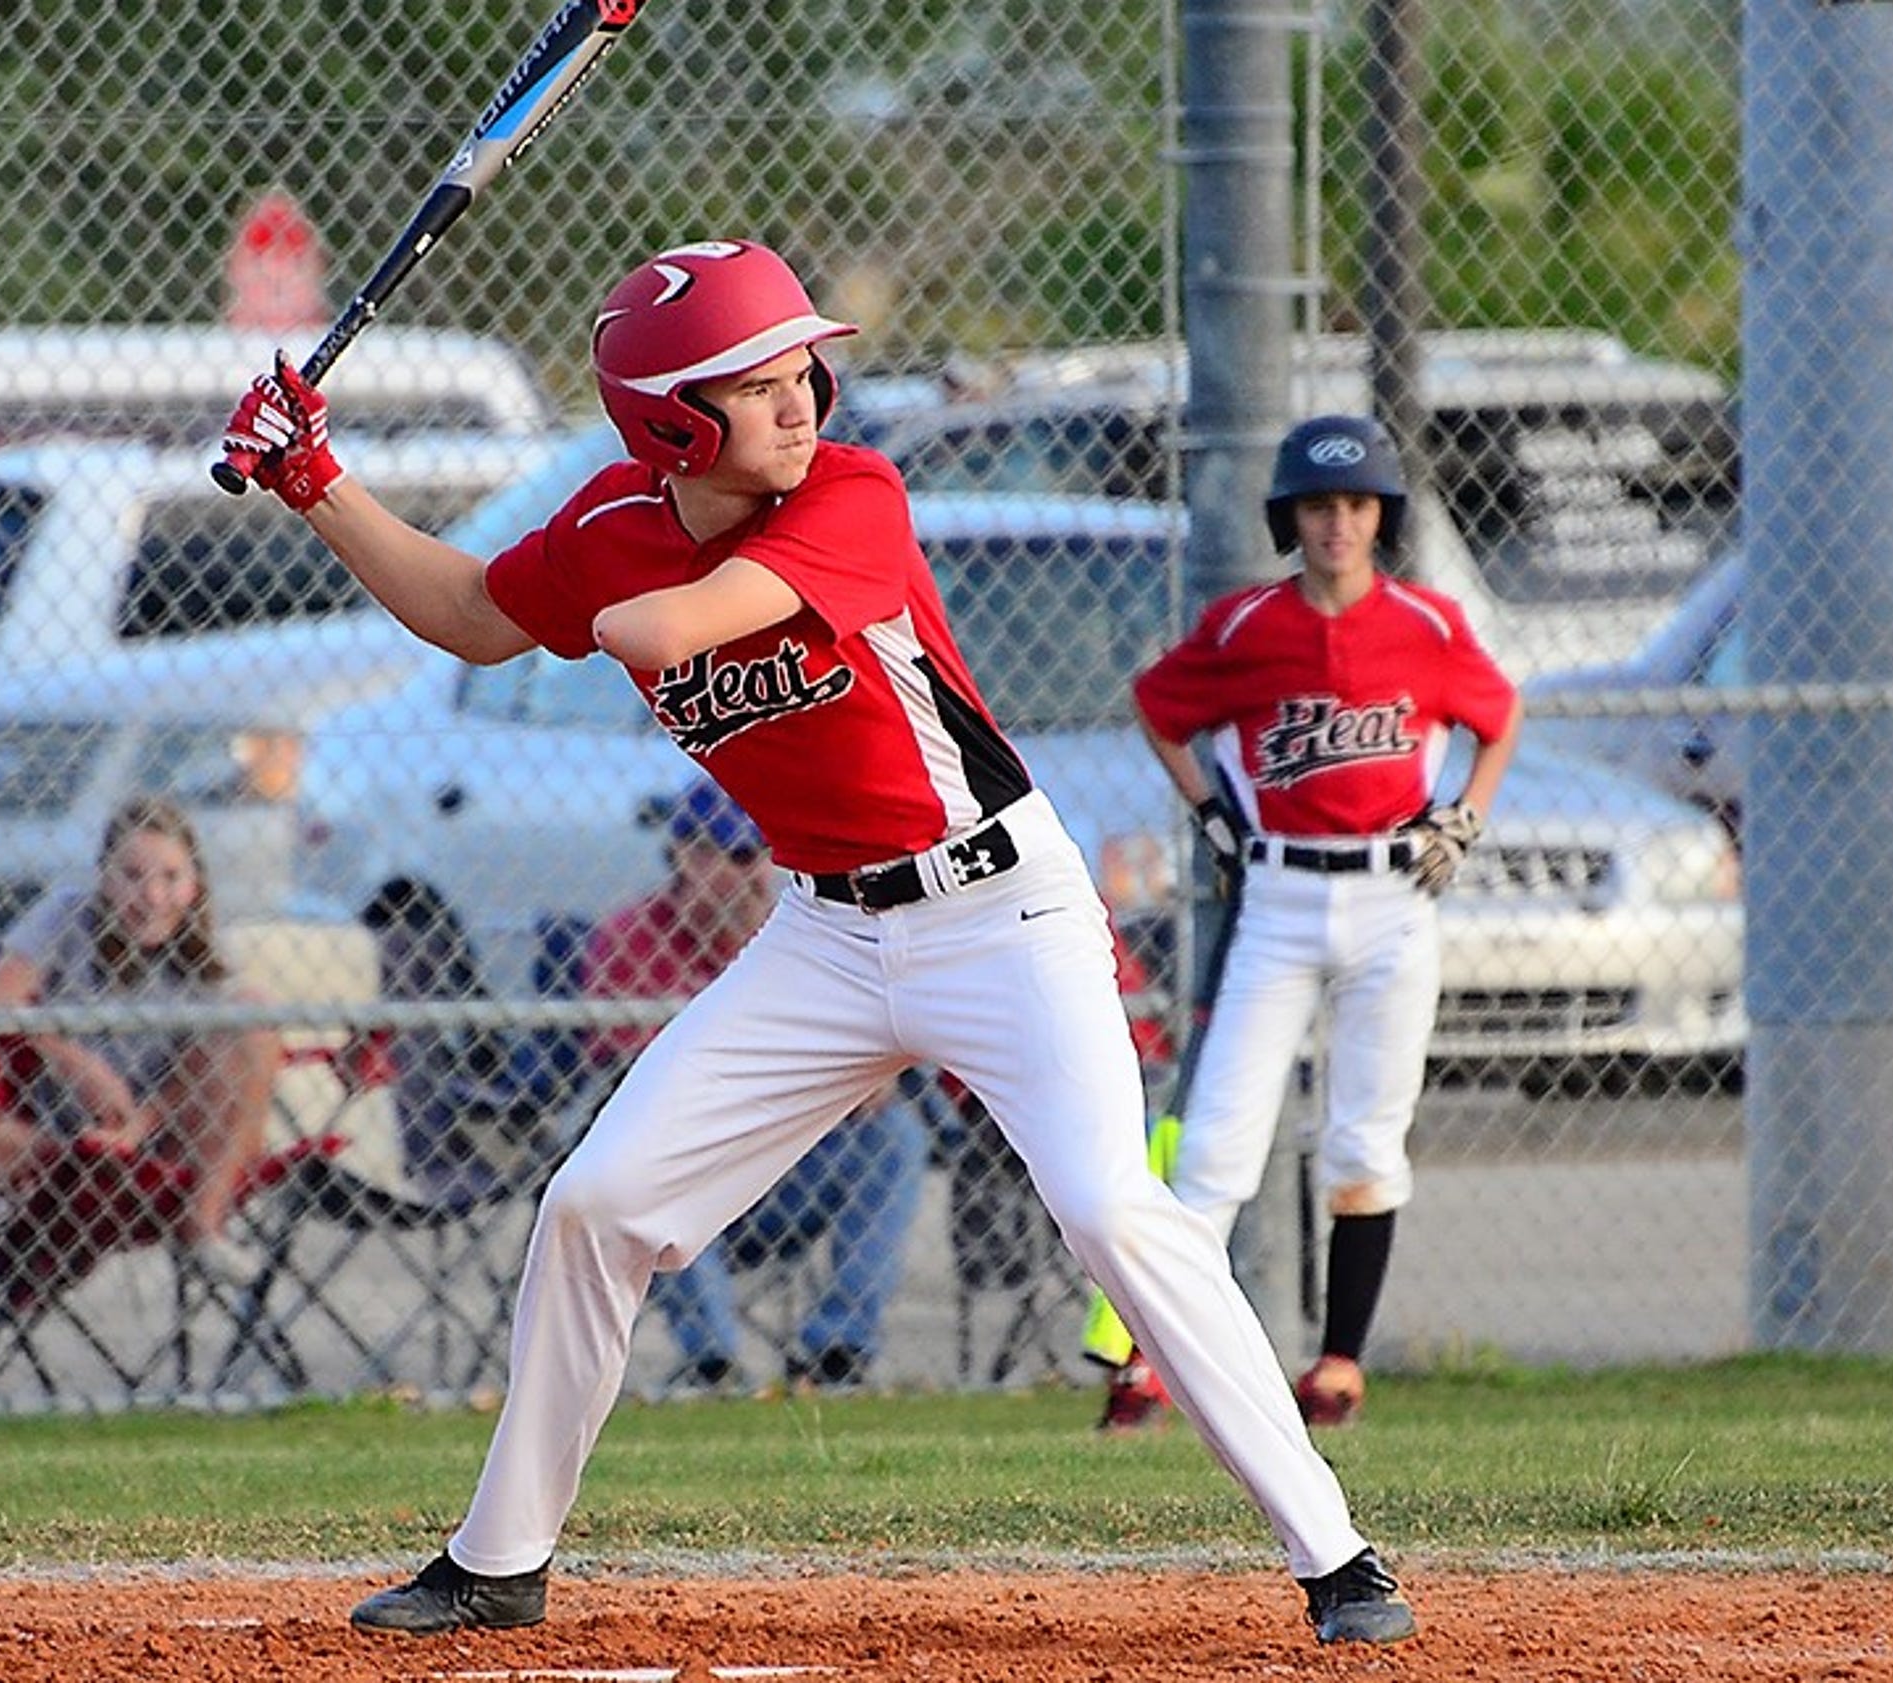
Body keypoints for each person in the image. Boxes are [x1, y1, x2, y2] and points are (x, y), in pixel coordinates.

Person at [221, 237, 1417, 1646]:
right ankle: (498, 1557)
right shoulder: (612, 521)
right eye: (756, 380)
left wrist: (598, 595)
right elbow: (471, 613)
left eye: (801, 367)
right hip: (823, 936)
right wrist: (317, 482)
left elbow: (678, 621)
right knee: (593, 1204)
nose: (801, 397)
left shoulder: (851, 495)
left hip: (1000, 912)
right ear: (670, 421)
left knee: (1106, 1203)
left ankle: (1335, 1554)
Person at [1089, 413, 1523, 1434]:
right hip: (1279, 896)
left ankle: (1338, 1365)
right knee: (1215, 1152)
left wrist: (1464, 815)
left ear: (1383, 518)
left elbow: (1498, 719)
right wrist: (1209, 810)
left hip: (1393, 899)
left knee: (1366, 1142)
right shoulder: (1248, 628)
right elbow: (1158, 706)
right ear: (1291, 516)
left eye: (1358, 505)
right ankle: (1159, 1363)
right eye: (1321, 506)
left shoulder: (1427, 624)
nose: (1339, 524)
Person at [591, 780, 924, 1392]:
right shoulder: (632, 938)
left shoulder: (797, 932)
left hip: (786, 1172)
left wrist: (860, 1072)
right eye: (737, 857)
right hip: (689, 1180)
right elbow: (643, 1082)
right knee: (648, 1152)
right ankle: (710, 1362)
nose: (754, 877)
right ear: (687, 857)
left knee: (894, 1135)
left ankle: (837, 1354)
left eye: (763, 857)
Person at [0, 797, 284, 1308]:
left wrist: (140, 1125)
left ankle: (203, 1227)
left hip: (166, 1140)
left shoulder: (205, 951)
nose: (151, 896)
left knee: (253, 1019)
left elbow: (216, 1075)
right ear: (102, 878)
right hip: (65, 1141)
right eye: (131, 875)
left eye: (171, 877)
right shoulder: (68, 912)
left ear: (195, 885)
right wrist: (76, 1062)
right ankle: (15, 1215)